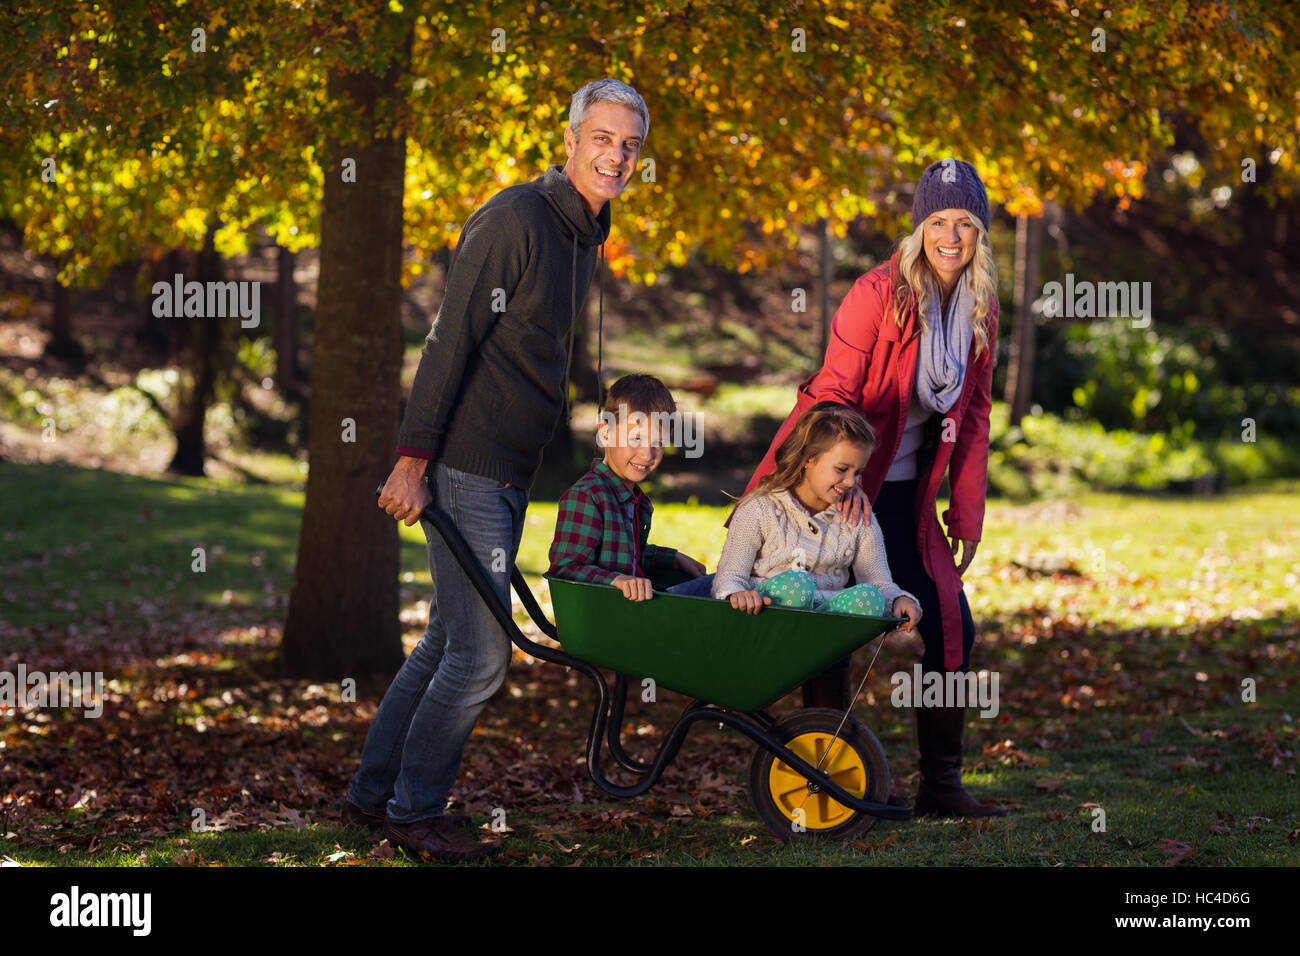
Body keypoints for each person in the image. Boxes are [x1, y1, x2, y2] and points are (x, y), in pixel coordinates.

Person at [350, 79, 650, 862]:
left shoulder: (588, 231)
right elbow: (449, 343)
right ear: (571, 139)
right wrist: (415, 460)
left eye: (630, 145)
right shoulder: (515, 219)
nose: (616, 155)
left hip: (513, 470)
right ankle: (414, 814)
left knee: (446, 640)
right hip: (468, 465)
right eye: (604, 138)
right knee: (483, 657)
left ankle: (372, 795)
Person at [741, 159, 1006, 818]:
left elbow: (973, 417)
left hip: (908, 498)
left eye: (965, 224)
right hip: (838, 487)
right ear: (919, 228)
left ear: (979, 234)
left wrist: (966, 515)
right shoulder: (876, 295)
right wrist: (835, 484)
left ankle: (941, 786)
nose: (951, 236)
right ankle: (825, 778)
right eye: (938, 222)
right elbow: (833, 393)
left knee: (951, 626)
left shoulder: (980, 310)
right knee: (828, 626)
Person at [713, 401, 922, 627]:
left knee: (870, 597)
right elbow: (729, 578)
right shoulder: (760, 509)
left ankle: (820, 653)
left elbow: (879, 583)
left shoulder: (858, 517)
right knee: (796, 585)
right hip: (762, 620)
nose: (852, 482)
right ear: (808, 458)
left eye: (858, 472)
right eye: (841, 469)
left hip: (824, 625)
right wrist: (736, 593)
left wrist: (898, 599)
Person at [548, 374, 707, 599]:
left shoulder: (631, 497)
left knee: (714, 588)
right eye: (636, 439)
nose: (647, 454)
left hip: (636, 607)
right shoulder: (587, 496)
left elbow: (628, 552)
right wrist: (616, 580)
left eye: (658, 443)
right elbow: (564, 569)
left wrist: (673, 557)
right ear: (605, 433)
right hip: (608, 615)